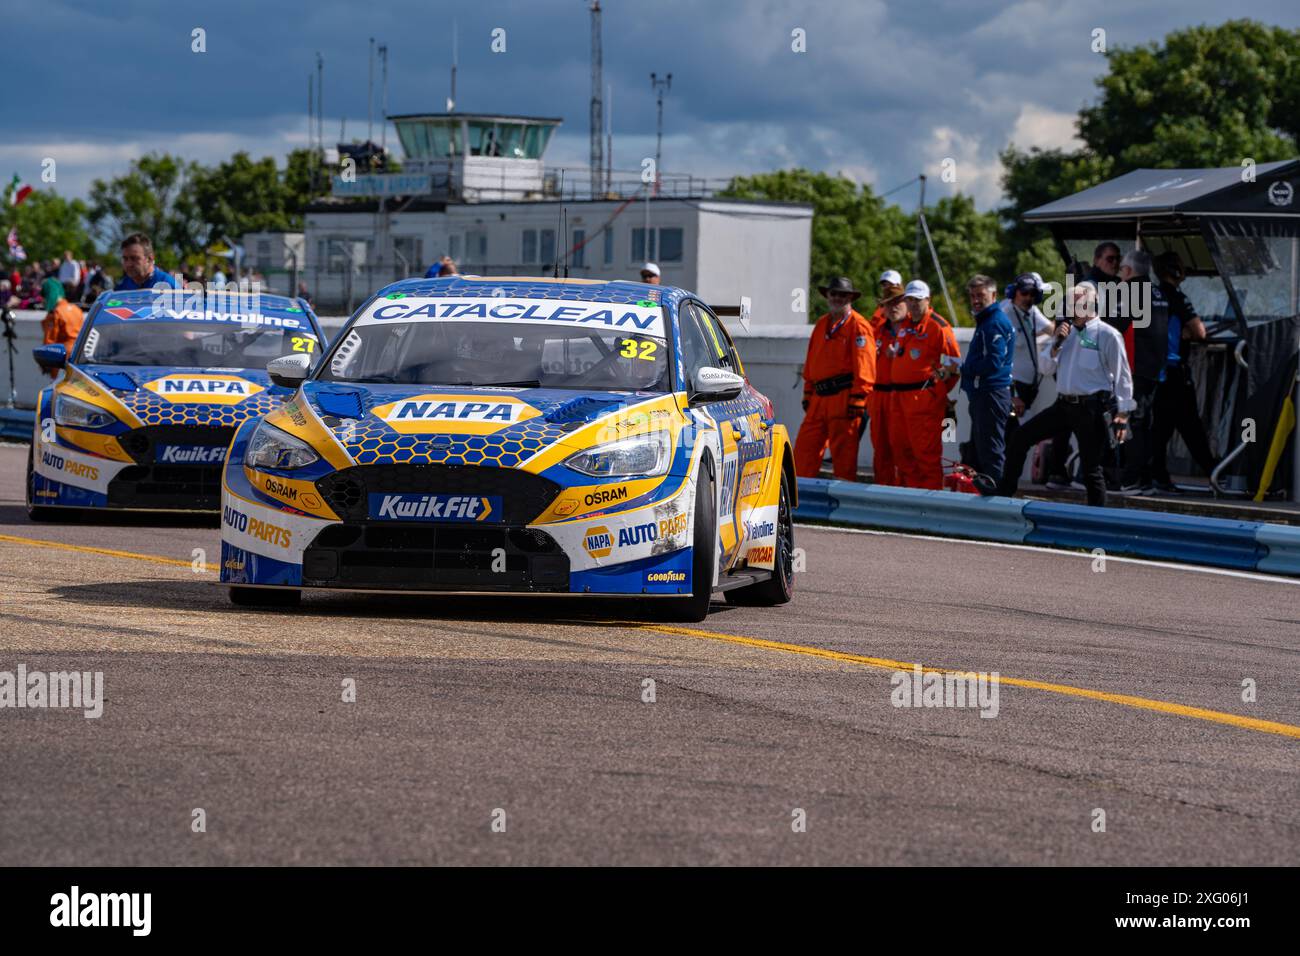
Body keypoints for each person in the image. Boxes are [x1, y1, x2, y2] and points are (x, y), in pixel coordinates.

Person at [995, 282, 1133, 507]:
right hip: (1063, 406)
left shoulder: (1108, 334)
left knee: (1091, 469)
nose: (1071, 308)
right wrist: (1056, 344)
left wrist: (1124, 413)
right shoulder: (1064, 332)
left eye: (1077, 303)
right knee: (1020, 438)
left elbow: (1123, 376)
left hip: (1091, 408)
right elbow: (1046, 369)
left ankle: (1098, 520)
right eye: (1070, 303)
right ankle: (1004, 494)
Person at [794, 276, 876, 480]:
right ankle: (801, 504)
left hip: (844, 398)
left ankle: (840, 506)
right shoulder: (822, 324)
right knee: (803, 453)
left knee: (844, 459)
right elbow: (812, 360)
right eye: (834, 294)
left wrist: (858, 398)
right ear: (827, 296)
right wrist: (808, 391)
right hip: (819, 400)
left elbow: (865, 365)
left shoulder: (859, 325)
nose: (838, 298)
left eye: (843, 295)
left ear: (850, 298)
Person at [882, 280, 961, 489]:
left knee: (925, 454)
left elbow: (954, 365)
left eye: (918, 300)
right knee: (901, 450)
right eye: (910, 299)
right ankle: (909, 500)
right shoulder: (906, 324)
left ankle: (930, 505)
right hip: (899, 398)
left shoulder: (938, 326)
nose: (914, 303)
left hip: (923, 399)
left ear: (928, 300)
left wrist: (936, 392)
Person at [1149, 252, 1217, 491]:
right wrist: (1184, 334)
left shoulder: (1151, 294)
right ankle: (1214, 473)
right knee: (1190, 426)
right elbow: (1200, 333)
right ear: (1174, 271)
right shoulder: (1177, 298)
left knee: (1161, 426)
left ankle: (1157, 474)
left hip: (1155, 372)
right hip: (1175, 372)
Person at [1116, 248, 1168, 494]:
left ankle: (1132, 479)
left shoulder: (1129, 291)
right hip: (1154, 368)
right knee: (1145, 423)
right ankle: (1145, 479)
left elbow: (1111, 324)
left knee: (1131, 422)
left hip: (1134, 367)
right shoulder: (1157, 291)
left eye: (1121, 270)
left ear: (1127, 271)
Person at [960, 274, 1015, 483]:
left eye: (980, 295)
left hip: (991, 394)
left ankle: (999, 501)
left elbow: (994, 362)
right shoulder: (987, 320)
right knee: (976, 452)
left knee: (991, 452)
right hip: (985, 394)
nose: (975, 300)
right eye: (972, 296)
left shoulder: (994, 323)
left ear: (993, 295)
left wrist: (964, 368)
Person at [868, 277, 905, 484]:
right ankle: (883, 493)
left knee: (901, 448)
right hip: (879, 396)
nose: (893, 307)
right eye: (888, 304)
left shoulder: (914, 329)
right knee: (880, 449)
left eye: (897, 302)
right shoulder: (877, 330)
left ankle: (905, 496)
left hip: (902, 396)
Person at [39, 278, 83, 377]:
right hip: (80, 358)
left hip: (61, 360)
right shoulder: (77, 310)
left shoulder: (55, 314)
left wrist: (44, 362)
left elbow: (49, 342)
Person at [114, 233, 179, 290]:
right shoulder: (121, 287)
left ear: (150, 258)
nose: (129, 264)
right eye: (125, 259)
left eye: (134, 258)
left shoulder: (169, 285)